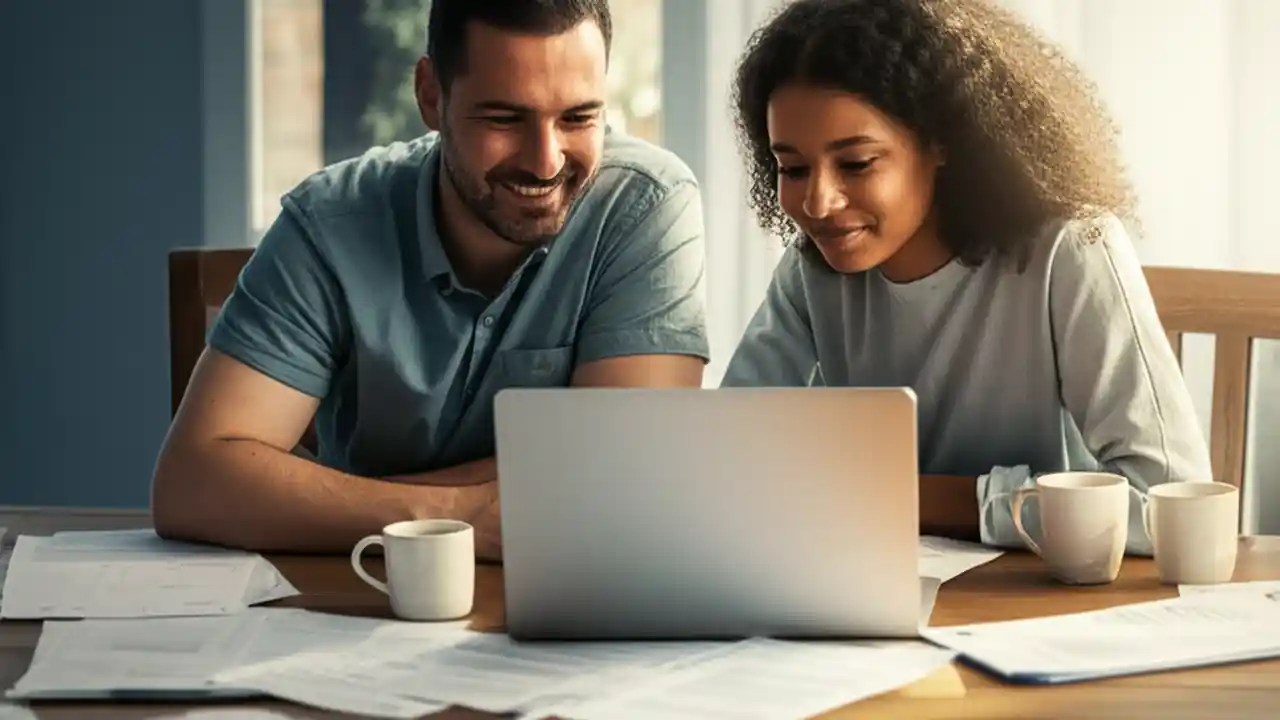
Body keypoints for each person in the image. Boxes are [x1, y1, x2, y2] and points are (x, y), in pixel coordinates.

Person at [152, 0, 709, 559]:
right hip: (357, 591)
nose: (546, 162)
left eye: (578, 118)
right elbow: (191, 483)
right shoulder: (330, 223)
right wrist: (455, 518)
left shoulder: (647, 205)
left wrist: (318, 499)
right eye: (503, 119)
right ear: (430, 95)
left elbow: (628, 472)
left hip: (574, 585)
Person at [721, 0, 1210, 553]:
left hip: (1044, 603)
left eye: (856, 164)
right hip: (883, 596)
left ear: (941, 143)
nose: (817, 202)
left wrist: (914, 499)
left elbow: (1170, 500)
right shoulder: (810, 271)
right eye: (793, 168)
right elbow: (730, 460)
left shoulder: (1070, 250)